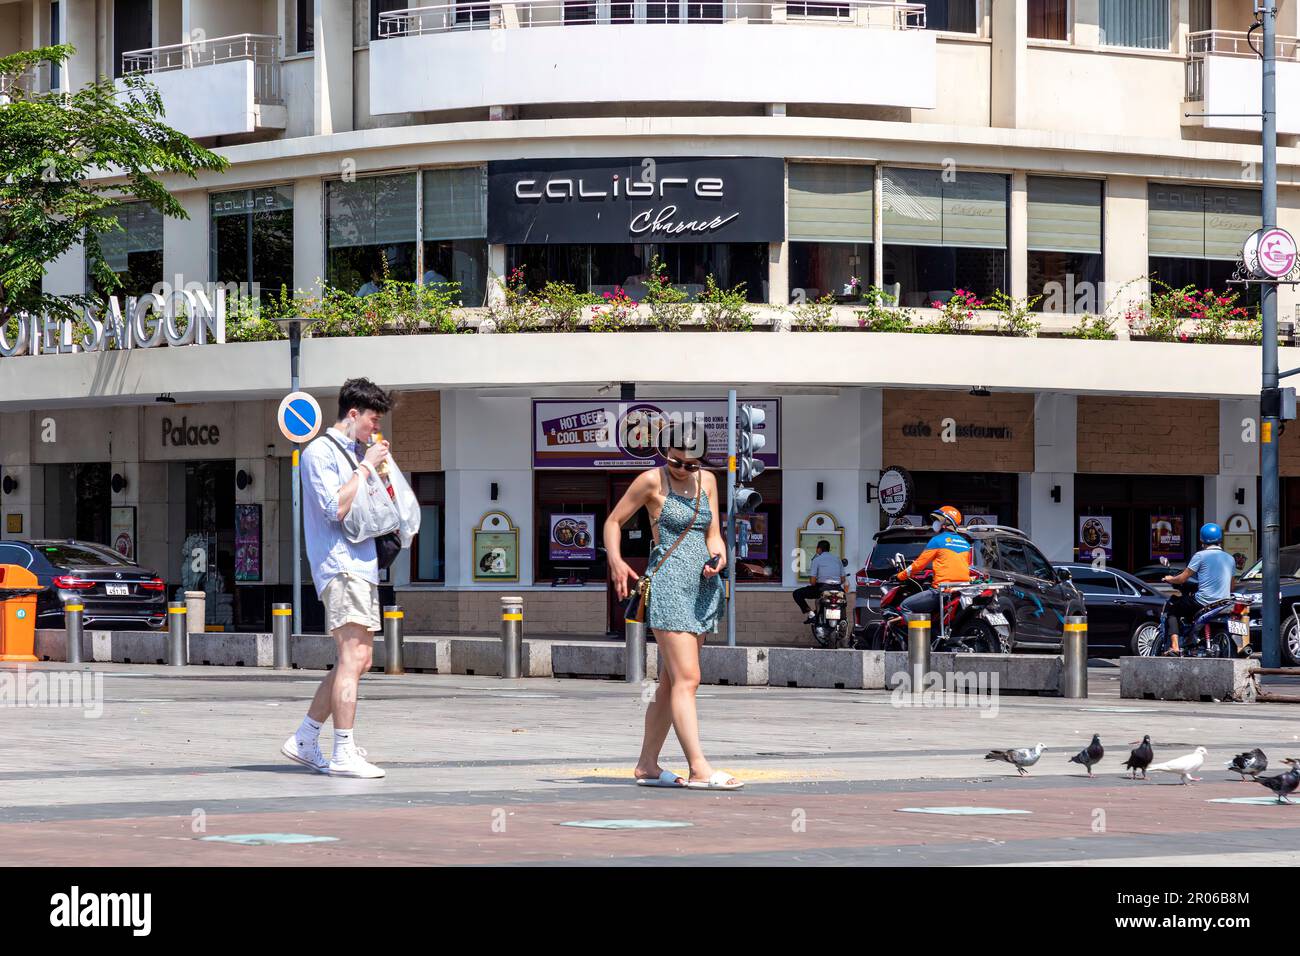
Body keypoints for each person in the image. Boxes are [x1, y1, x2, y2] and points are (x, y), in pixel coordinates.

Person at [604, 421, 742, 790]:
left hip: (702, 586)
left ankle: (647, 765)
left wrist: (720, 557)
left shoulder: (709, 482)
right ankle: (699, 768)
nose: (681, 469)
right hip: (668, 586)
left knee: (670, 682)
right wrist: (617, 562)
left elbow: (714, 535)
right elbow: (614, 521)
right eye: (675, 461)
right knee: (688, 678)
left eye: (690, 465)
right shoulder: (652, 481)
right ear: (666, 454)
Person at [281, 377, 395, 779]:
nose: (374, 429)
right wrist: (365, 466)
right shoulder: (320, 453)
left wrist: (373, 469)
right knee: (351, 658)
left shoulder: (351, 453)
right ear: (353, 414)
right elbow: (334, 508)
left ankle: (305, 737)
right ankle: (342, 751)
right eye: (372, 420)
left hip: (361, 565)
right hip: (341, 565)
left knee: (360, 660)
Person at [1162, 522, 1237, 654]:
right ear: (1220, 539)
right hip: (1223, 603)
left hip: (1203, 602)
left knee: (1173, 609)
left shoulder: (1200, 556)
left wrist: (1169, 579)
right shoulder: (1230, 558)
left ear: (1202, 540)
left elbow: (1183, 578)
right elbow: (1231, 586)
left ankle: (1174, 646)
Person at [895, 505, 972, 634]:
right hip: (961, 589)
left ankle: (922, 639)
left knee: (905, 606)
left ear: (946, 522)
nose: (935, 523)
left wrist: (900, 576)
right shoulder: (965, 543)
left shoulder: (937, 541)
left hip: (941, 591)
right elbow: (961, 566)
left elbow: (919, 565)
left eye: (938, 519)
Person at [793, 539, 847, 623]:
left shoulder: (816, 560)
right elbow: (843, 580)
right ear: (828, 549)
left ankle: (811, 614)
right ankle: (843, 621)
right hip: (838, 589)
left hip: (822, 588)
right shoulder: (837, 559)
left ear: (819, 549)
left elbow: (813, 582)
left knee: (797, 593)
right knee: (843, 602)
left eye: (817, 548)